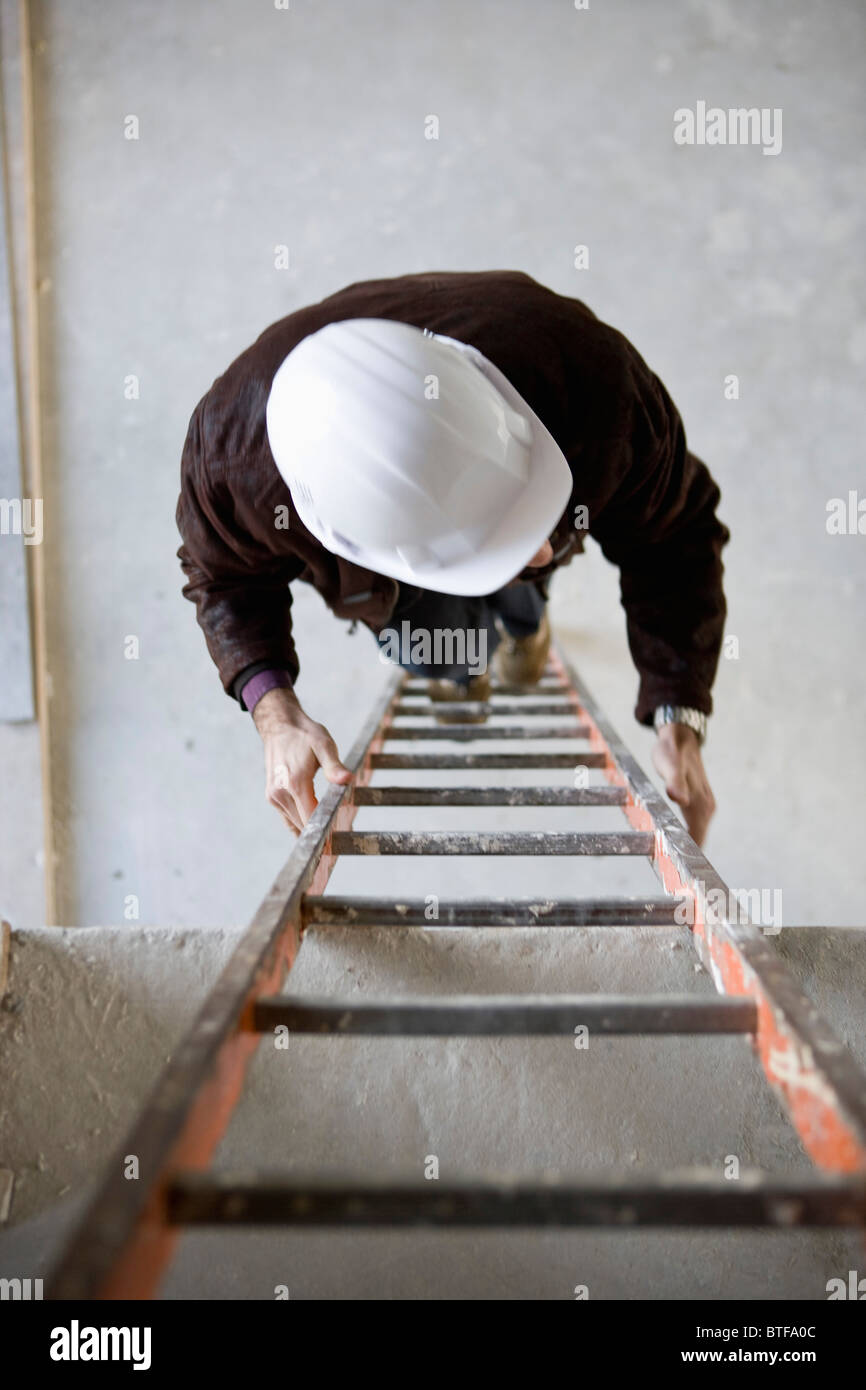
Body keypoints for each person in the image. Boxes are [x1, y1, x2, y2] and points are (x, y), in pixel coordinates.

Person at [176, 270, 729, 845]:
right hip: (388, 594)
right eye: (494, 543)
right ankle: (461, 675)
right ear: (339, 534)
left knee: (524, 592)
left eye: (523, 519)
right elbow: (223, 578)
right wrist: (274, 711)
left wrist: (680, 709)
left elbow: (676, 535)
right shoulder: (231, 466)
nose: (541, 549)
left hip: (539, 424)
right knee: (441, 650)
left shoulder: (599, 389)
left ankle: (526, 627)